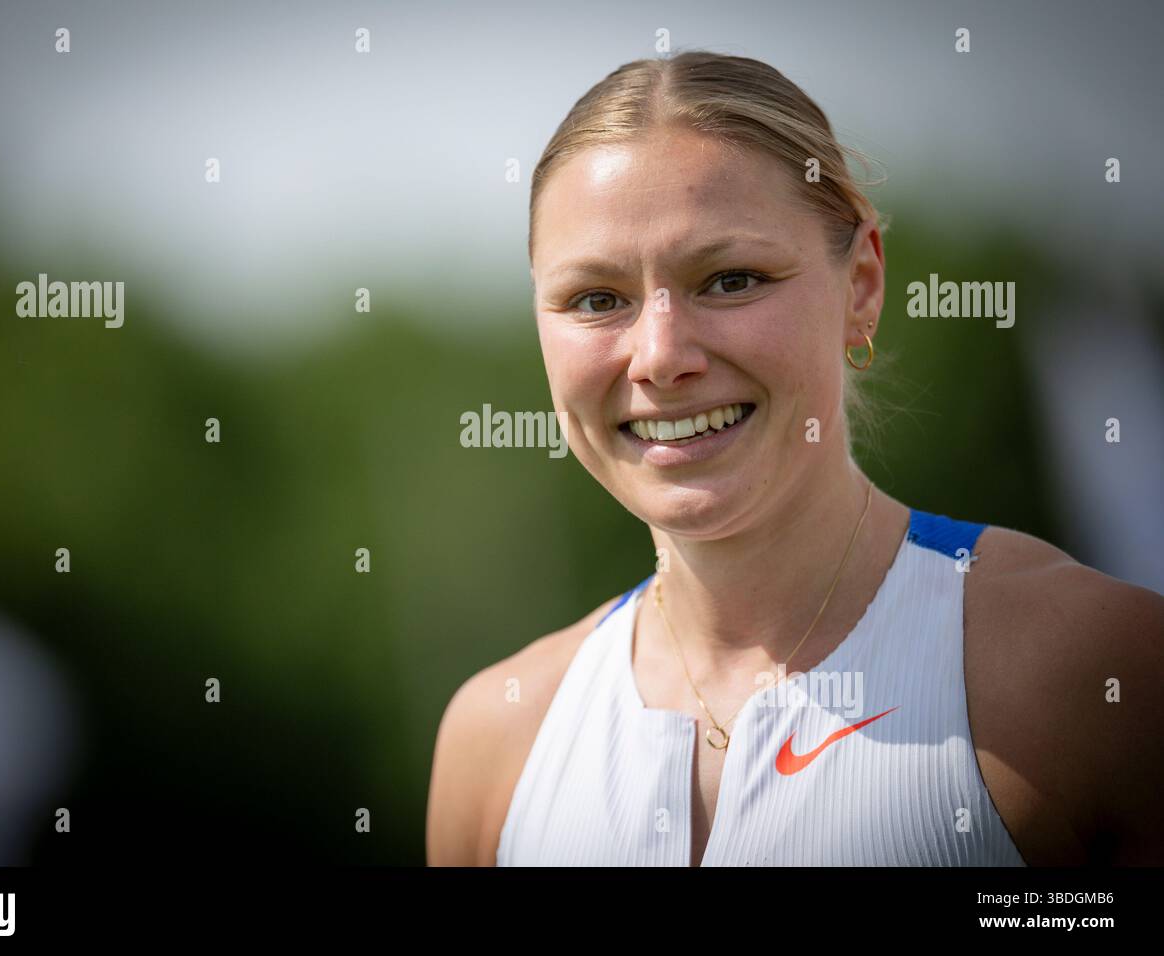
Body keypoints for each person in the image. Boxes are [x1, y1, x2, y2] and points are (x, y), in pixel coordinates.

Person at [425, 51, 1164, 866]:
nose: (660, 356)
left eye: (731, 279)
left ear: (863, 288)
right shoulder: (496, 737)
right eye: (597, 300)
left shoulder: (1092, 668)